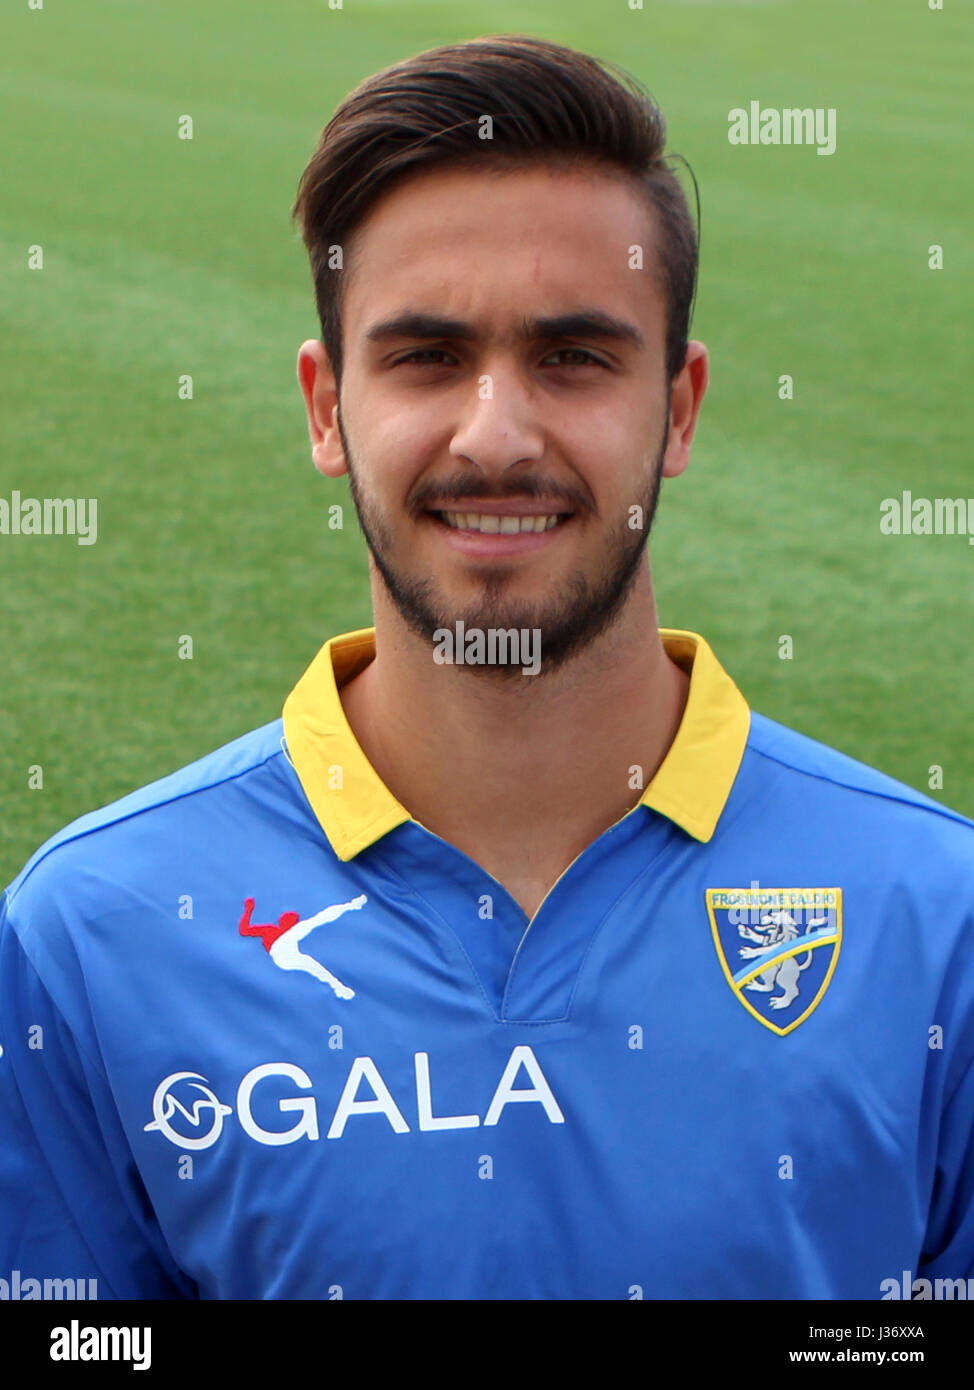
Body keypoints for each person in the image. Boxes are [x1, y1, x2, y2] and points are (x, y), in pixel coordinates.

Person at [1, 34, 972, 1302]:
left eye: (573, 357)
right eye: (424, 357)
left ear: (676, 409)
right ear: (324, 408)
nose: (496, 434)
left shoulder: (933, 915)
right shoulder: (96, 934)